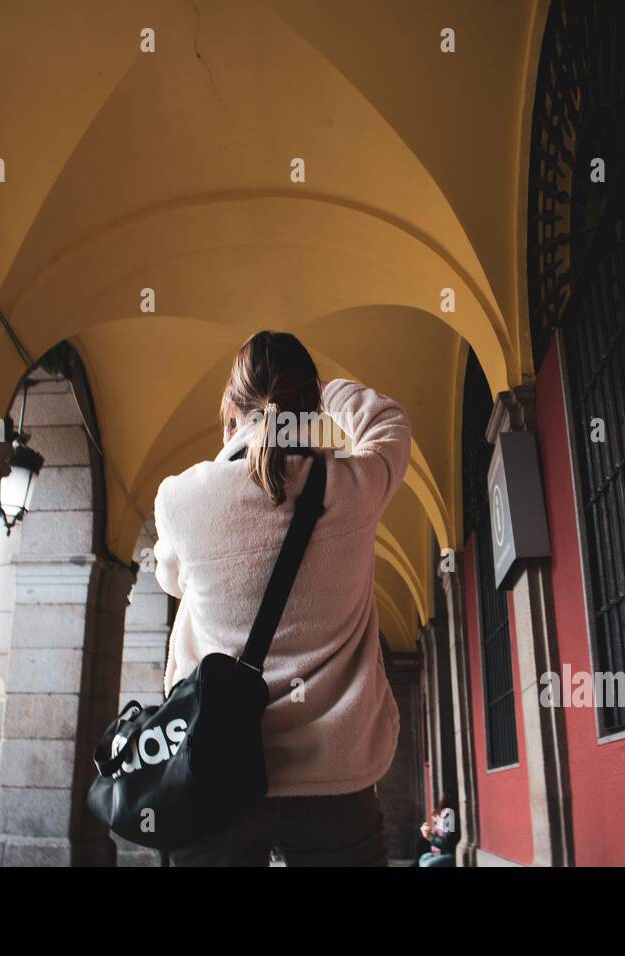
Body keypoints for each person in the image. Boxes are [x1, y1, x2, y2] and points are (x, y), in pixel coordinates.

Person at [154, 330, 411, 866]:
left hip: (214, 769)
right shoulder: (353, 488)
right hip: (337, 781)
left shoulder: (179, 497)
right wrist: (325, 390)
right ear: (309, 404)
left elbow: (172, 581)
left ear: (229, 408)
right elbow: (388, 422)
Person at [418, 792, 459, 867]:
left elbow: (447, 844)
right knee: (424, 857)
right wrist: (436, 821)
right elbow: (442, 833)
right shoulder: (445, 815)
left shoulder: (449, 814)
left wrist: (429, 836)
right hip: (438, 853)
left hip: (450, 855)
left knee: (427, 865)